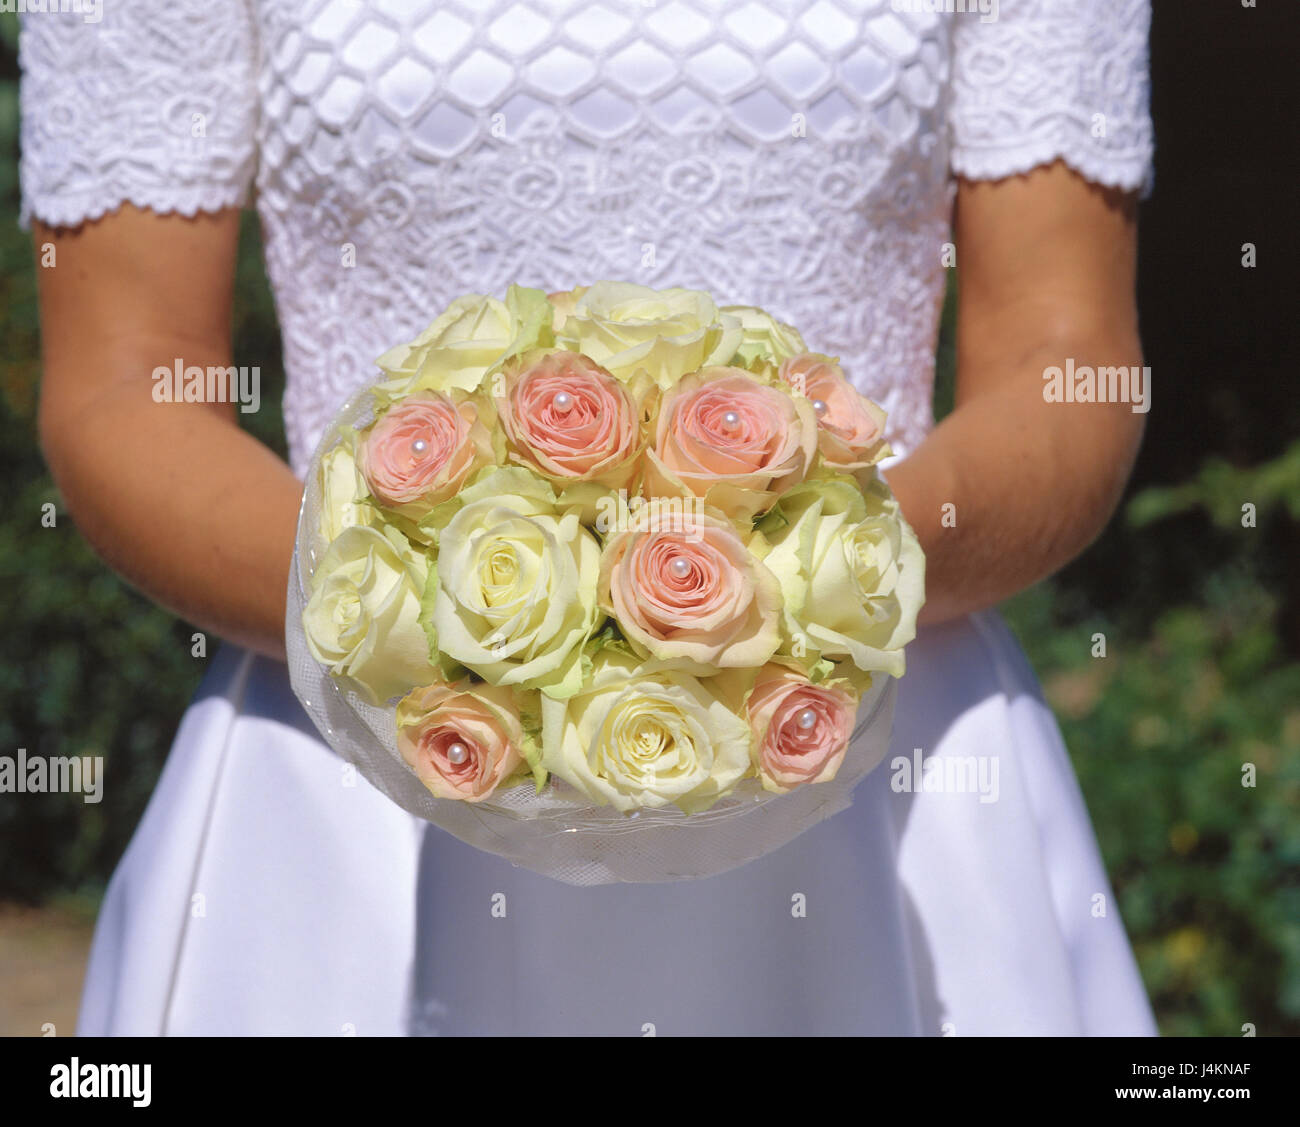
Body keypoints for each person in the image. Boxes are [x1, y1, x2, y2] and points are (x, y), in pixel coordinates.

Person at [22, 0, 1157, 1035]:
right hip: (362, 756)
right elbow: (127, 379)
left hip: (867, 749)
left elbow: (1065, 363)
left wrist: (799, 592)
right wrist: (438, 640)